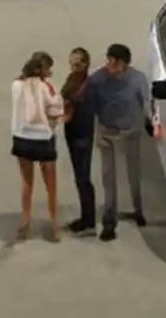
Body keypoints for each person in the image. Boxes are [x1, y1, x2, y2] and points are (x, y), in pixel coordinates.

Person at [81, 43, 149, 242]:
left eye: (115, 61)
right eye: (109, 59)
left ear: (125, 64)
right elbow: (90, 106)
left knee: (133, 174)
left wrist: (155, 126)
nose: (110, 64)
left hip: (130, 133)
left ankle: (138, 210)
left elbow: (149, 103)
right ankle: (109, 221)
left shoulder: (137, 79)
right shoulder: (97, 79)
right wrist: (96, 132)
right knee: (109, 179)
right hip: (107, 133)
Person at [10, 55, 64, 242]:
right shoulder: (47, 87)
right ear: (43, 69)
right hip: (42, 139)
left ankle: (25, 220)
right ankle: (53, 222)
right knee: (50, 184)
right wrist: (52, 122)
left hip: (21, 138)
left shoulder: (16, 85)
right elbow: (56, 110)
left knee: (27, 182)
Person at [59, 47, 95, 234]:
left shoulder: (86, 84)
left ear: (85, 64)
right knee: (80, 178)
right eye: (71, 63)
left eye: (77, 64)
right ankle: (86, 218)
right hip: (74, 133)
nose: (74, 67)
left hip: (82, 134)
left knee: (83, 178)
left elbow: (71, 104)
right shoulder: (74, 78)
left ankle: (88, 221)